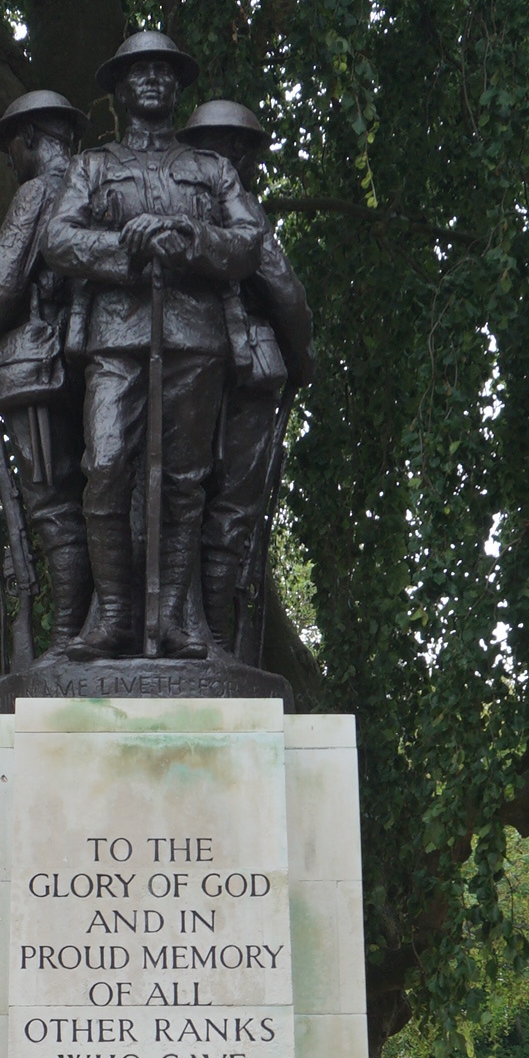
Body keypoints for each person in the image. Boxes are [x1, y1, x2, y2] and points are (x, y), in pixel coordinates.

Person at [40, 30, 265, 659]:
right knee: (105, 468)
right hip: (116, 336)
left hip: (194, 337)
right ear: (118, 87)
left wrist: (188, 237)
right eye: (140, 71)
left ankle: (173, 620)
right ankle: (111, 616)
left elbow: (248, 241)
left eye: (165, 71)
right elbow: (59, 239)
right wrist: (127, 249)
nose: (154, 80)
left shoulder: (211, 170)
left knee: (185, 481)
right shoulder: (93, 166)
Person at [178, 99, 314, 653]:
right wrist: (303, 359)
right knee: (230, 501)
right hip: (246, 369)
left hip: (189, 360)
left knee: (183, 494)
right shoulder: (244, 214)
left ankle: (199, 626)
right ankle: (209, 631)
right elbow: (285, 292)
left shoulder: (176, 209)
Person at [0, 89, 91, 652]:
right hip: (96, 364)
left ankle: (67, 633)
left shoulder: (37, 191)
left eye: (11, 146)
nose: (10, 160)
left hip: (38, 367)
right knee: (96, 496)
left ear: (32, 138)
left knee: (51, 502)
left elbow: (1, 284)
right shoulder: (96, 187)